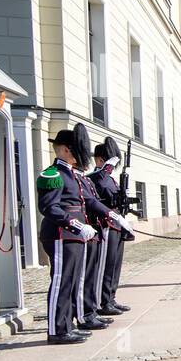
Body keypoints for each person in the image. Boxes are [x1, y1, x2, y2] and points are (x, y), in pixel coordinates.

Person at [37, 126, 116, 344]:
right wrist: (75, 225)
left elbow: (87, 202)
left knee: (72, 281)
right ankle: (57, 330)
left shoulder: (71, 174)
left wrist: (112, 216)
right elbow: (49, 208)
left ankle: (67, 324)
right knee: (61, 282)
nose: (78, 156)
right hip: (61, 234)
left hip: (73, 236)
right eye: (74, 151)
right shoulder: (52, 174)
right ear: (63, 150)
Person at [86, 141, 133, 317]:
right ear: (100, 159)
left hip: (116, 225)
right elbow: (98, 196)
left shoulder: (110, 179)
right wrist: (105, 169)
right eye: (109, 162)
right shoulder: (95, 177)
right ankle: (102, 301)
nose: (113, 167)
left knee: (115, 265)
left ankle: (111, 297)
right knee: (105, 266)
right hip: (104, 225)